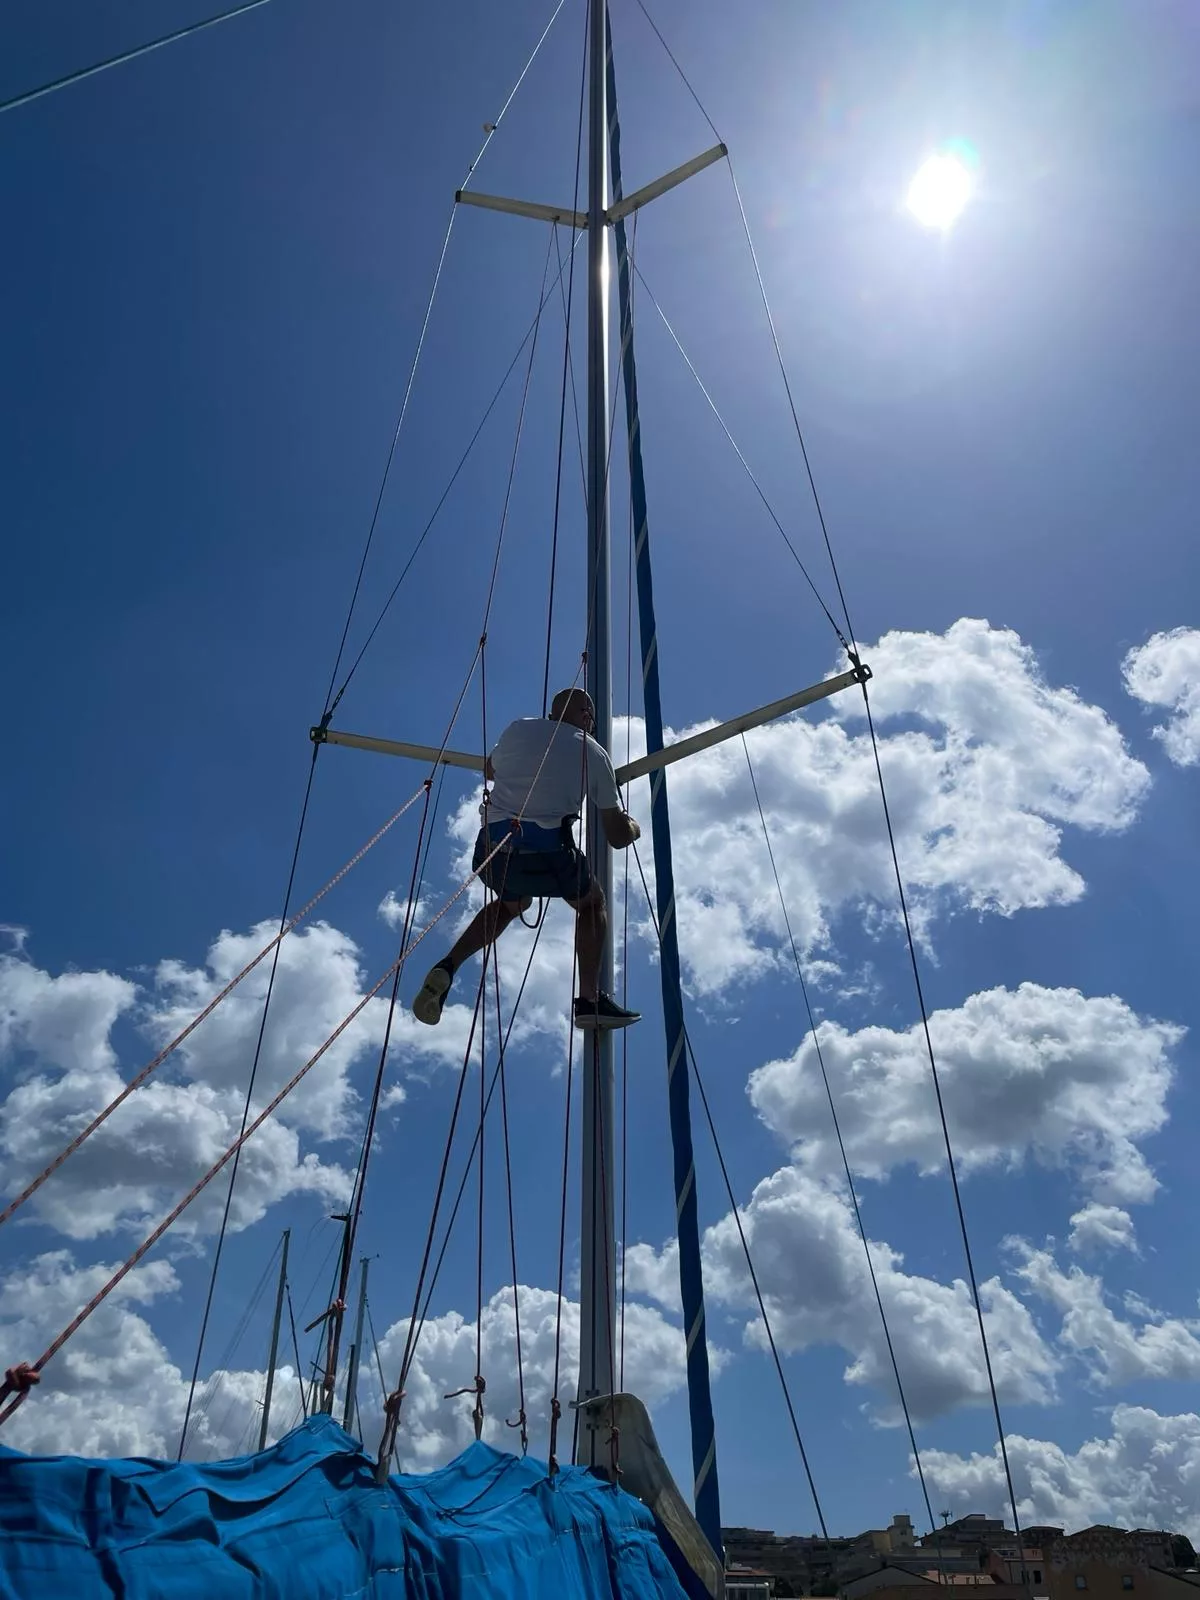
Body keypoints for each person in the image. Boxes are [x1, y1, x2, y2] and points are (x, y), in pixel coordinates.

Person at [412, 687, 642, 1031]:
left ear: (551, 713)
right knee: (592, 904)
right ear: (586, 717)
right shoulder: (592, 751)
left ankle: (449, 964)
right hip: (549, 852)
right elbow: (618, 837)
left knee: (512, 905)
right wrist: (633, 826)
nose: (591, 724)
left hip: (493, 848)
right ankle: (589, 1000)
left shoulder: (518, 728)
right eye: (590, 717)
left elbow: (490, 770)